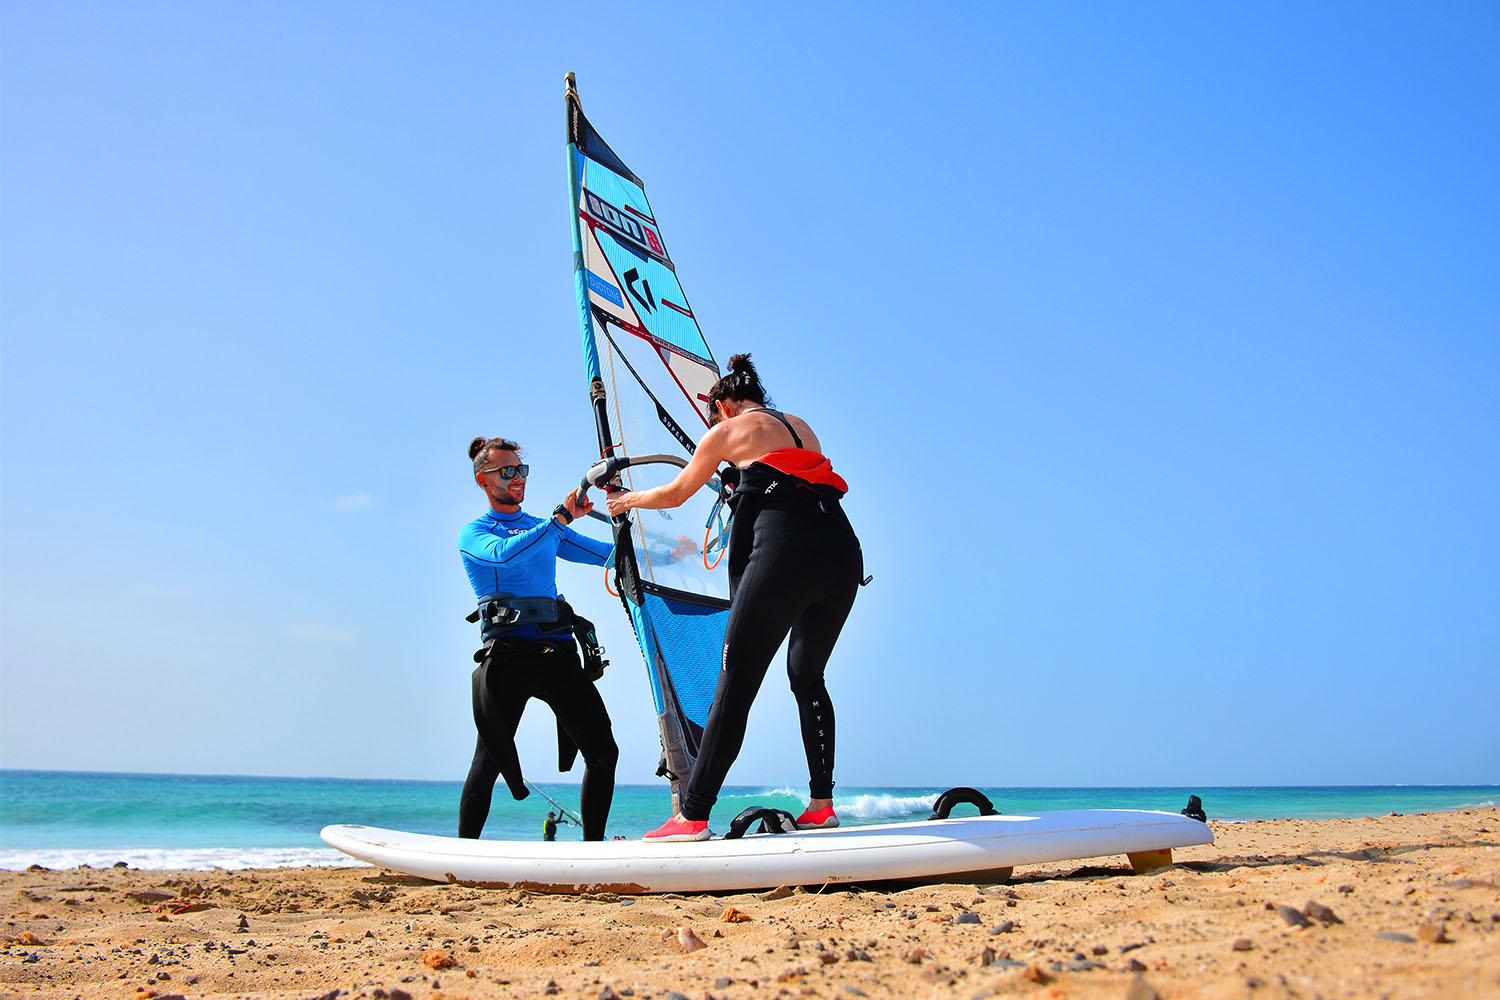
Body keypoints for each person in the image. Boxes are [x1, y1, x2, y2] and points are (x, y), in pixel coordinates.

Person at [606, 355, 863, 841]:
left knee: (736, 681)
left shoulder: (724, 432)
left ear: (721, 406)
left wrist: (627, 502)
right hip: (843, 551)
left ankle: (692, 816)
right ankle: (822, 805)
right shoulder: (803, 426)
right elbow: (791, 478)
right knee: (807, 676)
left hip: (785, 552)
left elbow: (678, 492)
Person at [458, 436, 619, 841]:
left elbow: (607, 554)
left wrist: (669, 552)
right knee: (488, 760)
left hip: (556, 655)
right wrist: (560, 519)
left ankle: (592, 851)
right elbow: (507, 555)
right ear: (483, 480)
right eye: (506, 470)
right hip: (508, 658)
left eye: (521, 469)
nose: (517, 477)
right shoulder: (475, 534)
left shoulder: (542, 528)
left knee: (604, 753)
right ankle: (464, 855)